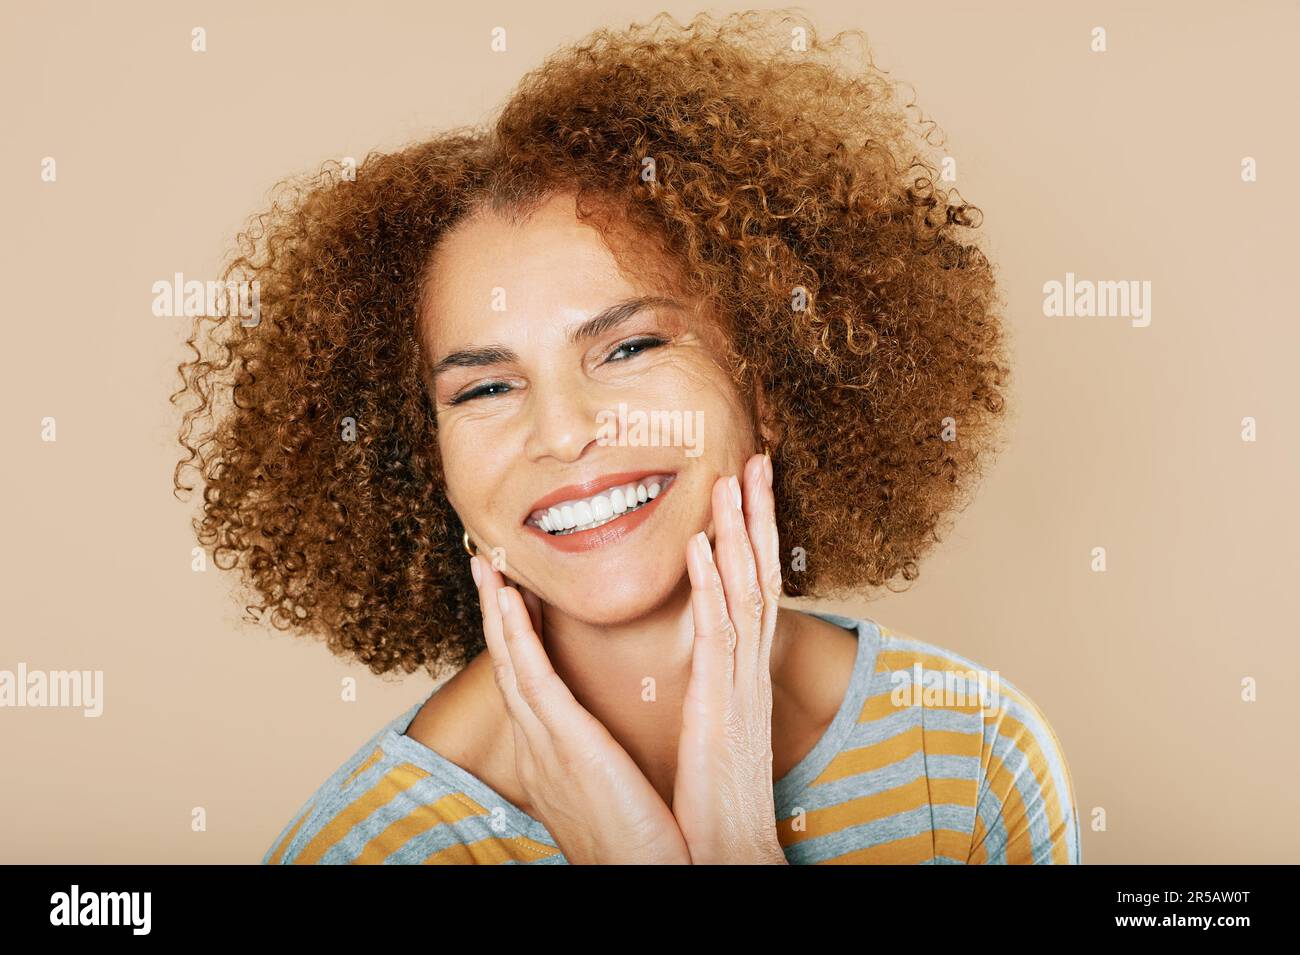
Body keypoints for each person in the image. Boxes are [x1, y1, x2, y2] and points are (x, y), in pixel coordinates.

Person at [174, 10, 1080, 864]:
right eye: (486, 386)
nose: (563, 432)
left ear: (764, 378)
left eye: (630, 346)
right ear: (431, 461)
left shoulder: (964, 759)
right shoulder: (377, 846)